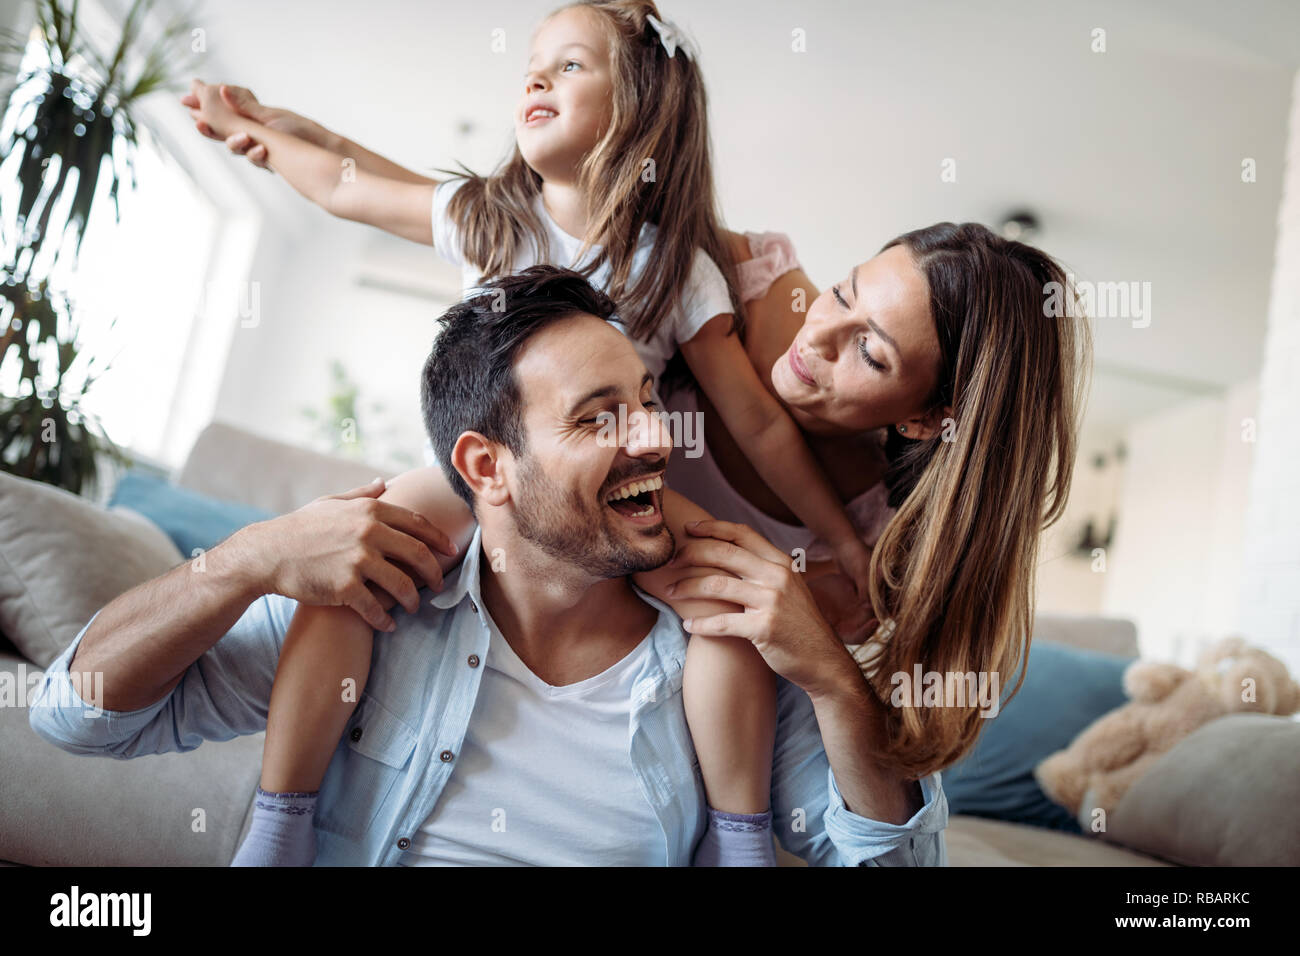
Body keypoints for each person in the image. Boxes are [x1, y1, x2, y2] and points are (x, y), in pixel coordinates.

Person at [179, 0, 873, 864]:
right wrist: (265, 134)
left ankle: (738, 841)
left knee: (726, 613)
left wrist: (843, 541)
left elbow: (759, 422)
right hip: (474, 472)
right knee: (352, 575)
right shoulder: (488, 215)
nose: (536, 76)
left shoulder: (678, 265)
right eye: (532, 65)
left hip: (611, 492)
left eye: (571, 65)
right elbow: (345, 185)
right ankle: (281, 822)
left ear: (637, 111)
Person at [29, 267, 947, 867]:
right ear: (484, 468)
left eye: (644, 400)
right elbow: (77, 719)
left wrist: (831, 676)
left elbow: (901, 866)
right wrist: (243, 561)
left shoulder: (727, 654)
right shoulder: (373, 610)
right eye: (598, 417)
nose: (656, 436)